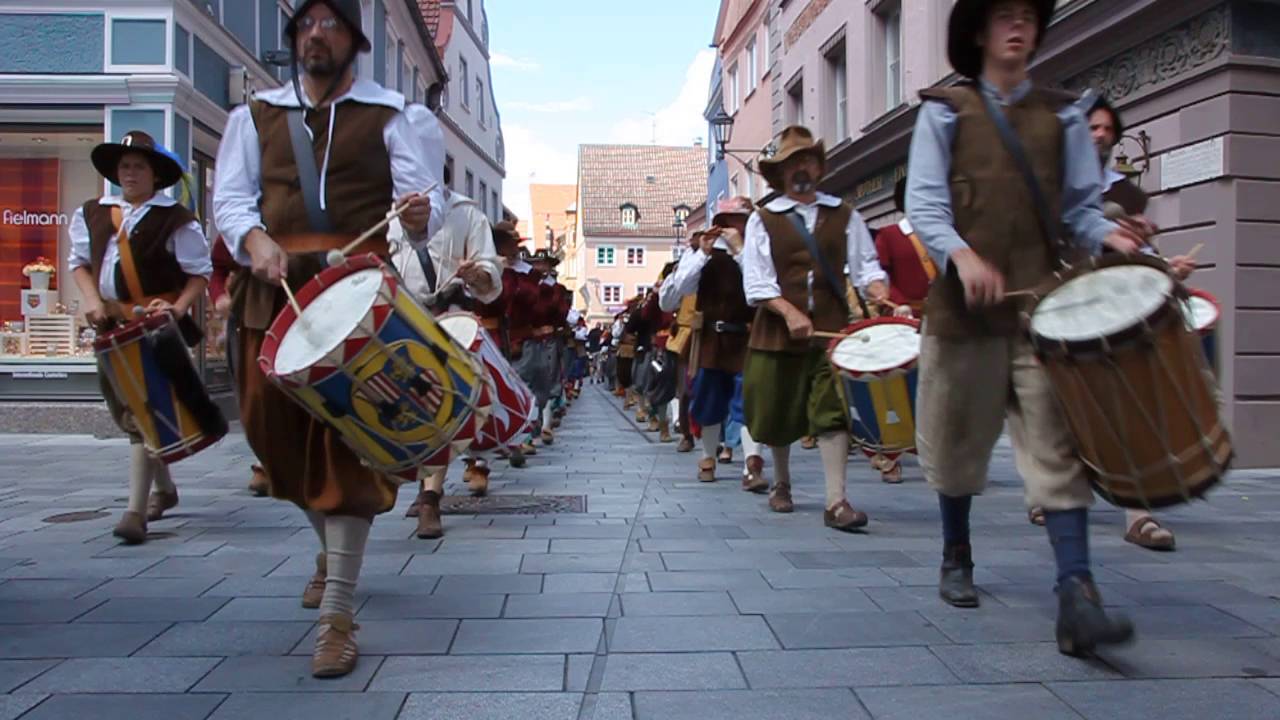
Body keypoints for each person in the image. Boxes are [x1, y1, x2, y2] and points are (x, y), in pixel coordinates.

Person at [906, 0, 1146, 655]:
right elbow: (924, 204)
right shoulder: (944, 112)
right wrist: (960, 256)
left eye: (1028, 17)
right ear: (979, 31)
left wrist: (1110, 238)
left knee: (1058, 447)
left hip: (1044, 313)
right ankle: (956, 552)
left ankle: (1077, 596)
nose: (1019, 26)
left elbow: (1081, 212)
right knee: (956, 444)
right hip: (962, 315)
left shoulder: (1063, 116)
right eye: (1005, 15)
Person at [213, 0, 444, 678]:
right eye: (307, 23)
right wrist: (253, 240)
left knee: (346, 450)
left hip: (356, 295)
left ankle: (337, 617)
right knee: (274, 443)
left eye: (332, 23)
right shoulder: (254, 115)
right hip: (271, 293)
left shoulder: (394, 114)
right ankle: (331, 550)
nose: (317, 33)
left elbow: (424, 209)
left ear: (354, 41)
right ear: (295, 37)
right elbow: (230, 200)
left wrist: (419, 215)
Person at [1027, 94, 1195, 552]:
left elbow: (1140, 249)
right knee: (1059, 408)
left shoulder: (1127, 194)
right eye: (1091, 128)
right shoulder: (1049, 184)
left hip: (1115, 306)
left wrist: (1166, 269)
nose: (1099, 135)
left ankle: (1139, 515)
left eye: (1107, 129)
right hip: (1060, 304)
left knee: (1127, 404)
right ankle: (1050, 492)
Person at [741, 125, 891, 531]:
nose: (801, 168)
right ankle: (781, 481)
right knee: (776, 410)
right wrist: (789, 313)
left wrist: (879, 291)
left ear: (819, 167)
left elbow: (866, 267)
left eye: (807, 159)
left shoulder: (844, 214)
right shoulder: (763, 219)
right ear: (780, 174)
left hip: (832, 331)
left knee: (833, 412)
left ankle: (835, 501)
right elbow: (757, 282)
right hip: (776, 332)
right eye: (792, 163)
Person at [70, 130, 212, 545]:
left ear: (155, 175)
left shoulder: (175, 219)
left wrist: (178, 308)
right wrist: (91, 300)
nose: (130, 174)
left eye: (138, 167)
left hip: (155, 329)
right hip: (111, 327)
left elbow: (198, 274)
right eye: (125, 166)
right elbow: (79, 263)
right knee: (128, 409)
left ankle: (135, 512)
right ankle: (164, 489)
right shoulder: (94, 212)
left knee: (144, 412)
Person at [392, 164, 502, 538]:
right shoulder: (384, 212)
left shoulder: (465, 213)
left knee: (440, 404)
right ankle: (416, 480)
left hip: (447, 319)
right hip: (397, 317)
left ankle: (430, 498)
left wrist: (475, 275)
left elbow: (489, 278)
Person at [661, 197, 768, 491]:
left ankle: (752, 465)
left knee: (749, 400)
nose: (735, 226)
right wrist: (702, 255)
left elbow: (761, 286)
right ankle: (707, 457)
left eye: (741, 220)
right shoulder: (702, 254)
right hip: (710, 338)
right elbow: (677, 291)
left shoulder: (757, 251)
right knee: (708, 401)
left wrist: (741, 251)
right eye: (730, 220)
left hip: (747, 337)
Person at [865, 175, 939, 484]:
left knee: (938, 386)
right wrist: (897, 302)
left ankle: (937, 452)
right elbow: (879, 277)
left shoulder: (942, 234)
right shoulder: (890, 235)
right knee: (897, 389)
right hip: (902, 320)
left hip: (940, 319)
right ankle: (889, 456)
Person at [209, 235, 270, 497]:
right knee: (253, 392)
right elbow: (217, 268)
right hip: (249, 309)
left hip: (300, 301)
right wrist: (219, 296)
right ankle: (266, 460)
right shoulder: (242, 220)